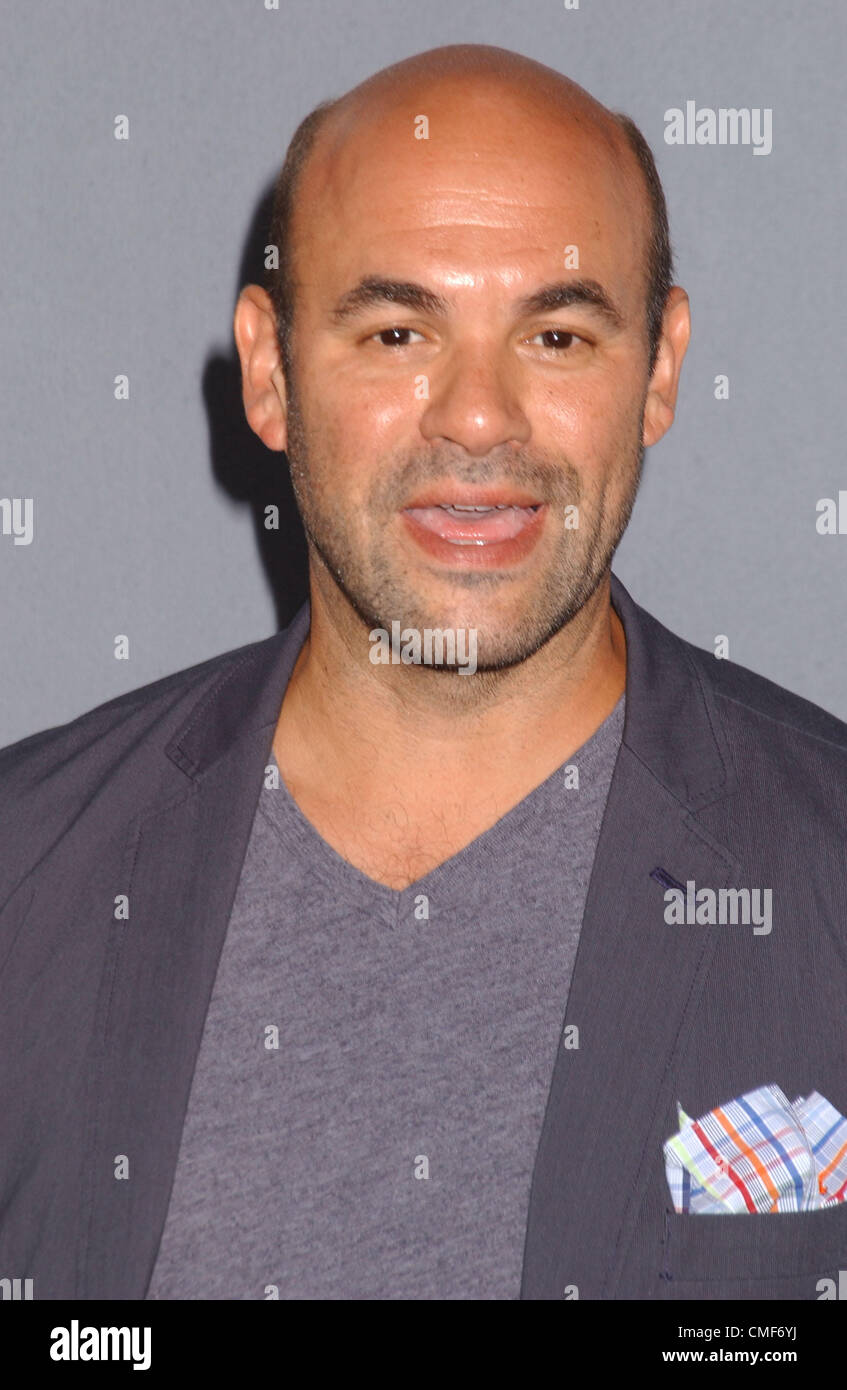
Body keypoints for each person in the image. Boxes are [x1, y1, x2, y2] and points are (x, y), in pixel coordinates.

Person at [1, 43, 846, 1302]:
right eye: (398, 330)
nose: (478, 417)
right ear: (272, 371)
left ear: (660, 369)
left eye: (556, 334)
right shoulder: (29, 869)